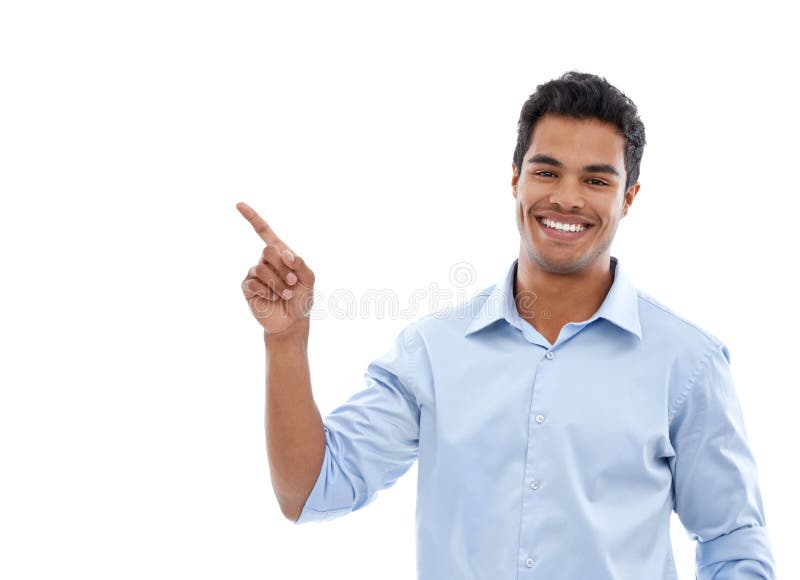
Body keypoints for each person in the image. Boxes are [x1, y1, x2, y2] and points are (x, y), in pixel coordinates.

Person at [236, 71, 776, 579]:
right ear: (515, 180)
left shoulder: (687, 362)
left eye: (596, 179)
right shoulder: (434, 352)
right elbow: (311, 490)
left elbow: (733, 542)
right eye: (547, 171)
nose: (566, 197)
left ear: (628, 197)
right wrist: (285, 339)